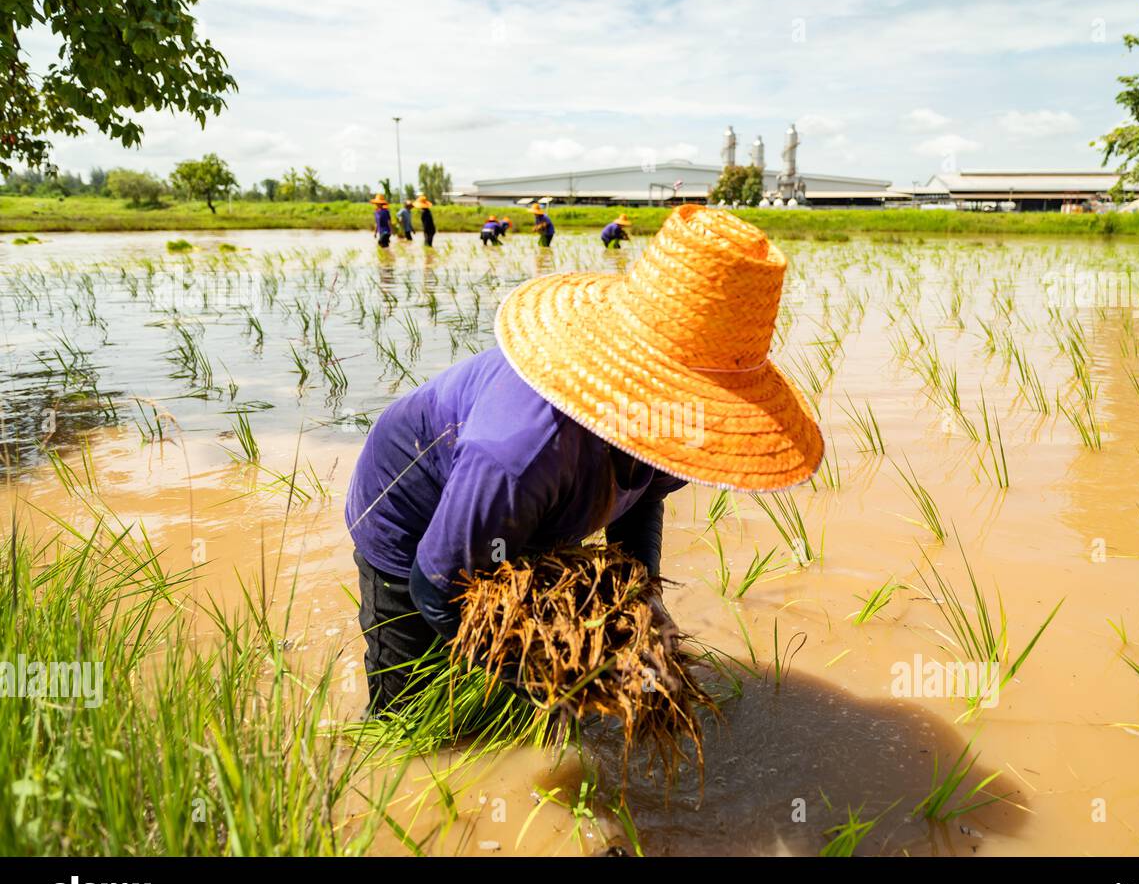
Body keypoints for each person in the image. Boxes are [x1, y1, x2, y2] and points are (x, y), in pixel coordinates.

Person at [345, 205, 824, 713]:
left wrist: (645, 598)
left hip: (517, 508)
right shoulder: (520, 449)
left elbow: (642, 499)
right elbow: (436, 586)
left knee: (515, 697)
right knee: (411, 713)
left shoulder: (675, 427)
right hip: (410, 514)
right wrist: (559, 681)